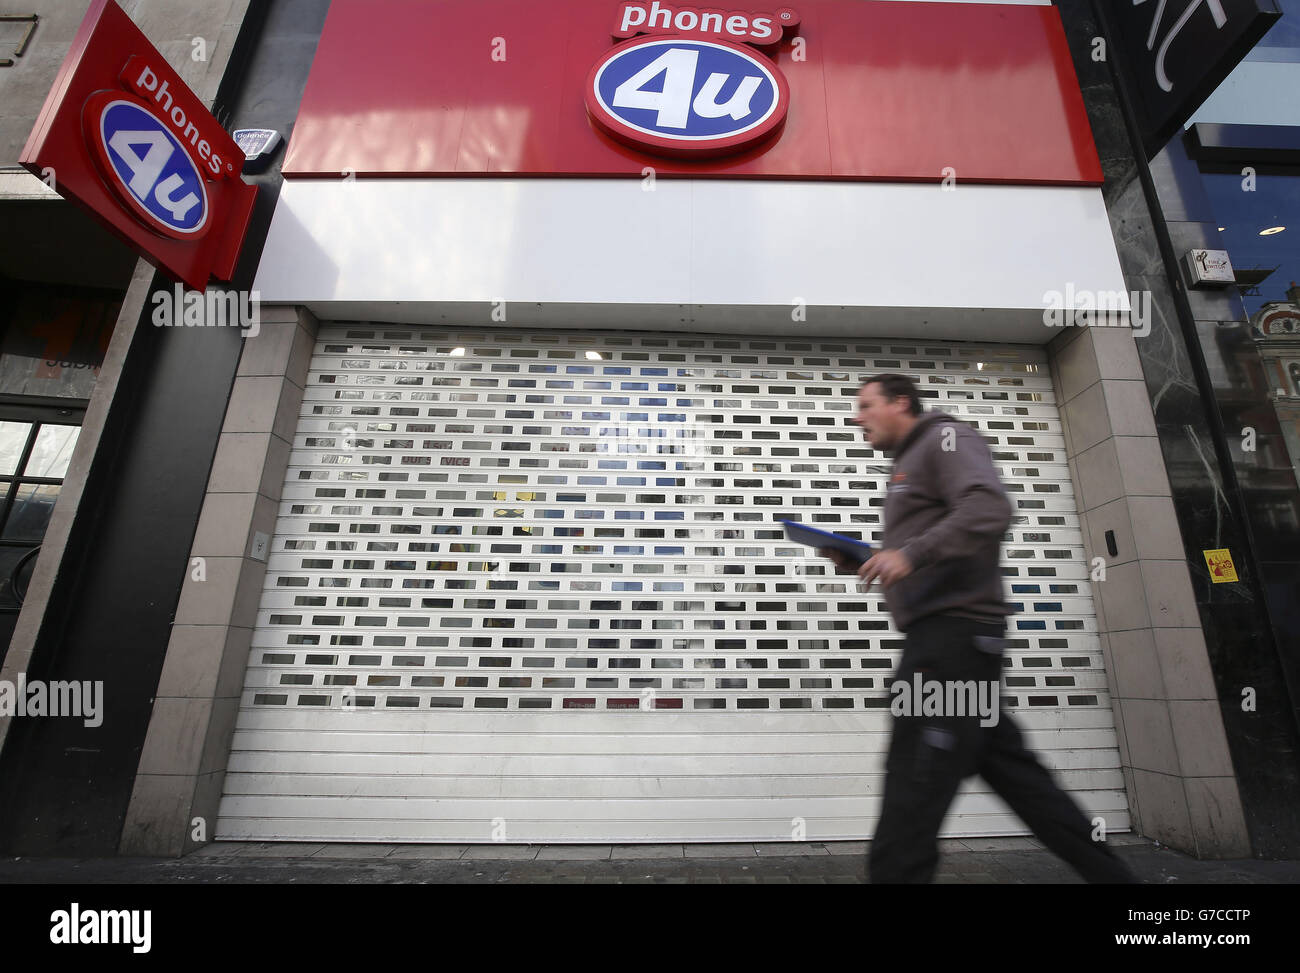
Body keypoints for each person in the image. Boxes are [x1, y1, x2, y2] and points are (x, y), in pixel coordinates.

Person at [819, 373, 1136, 884]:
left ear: (901, 402)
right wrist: (867, 558)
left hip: (948, 646)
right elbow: (926, 551)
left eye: (865, 405)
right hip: (958, 645)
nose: (858, 417)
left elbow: (989, 507)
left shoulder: (946, 439)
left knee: (912, 790)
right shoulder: (909, 462)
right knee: (1023, 783)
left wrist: (910, 553)